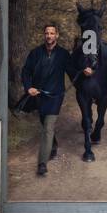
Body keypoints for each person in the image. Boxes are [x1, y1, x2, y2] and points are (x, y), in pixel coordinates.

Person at [19, 23, 75, 177]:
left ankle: (42, 163)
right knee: (44, 124)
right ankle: (54, 145)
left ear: (57, 35)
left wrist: (85, 71)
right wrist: (28, 87)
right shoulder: (35, 53)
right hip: (38, 95)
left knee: (48, 127)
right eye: (47, 33)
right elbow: (26, 71)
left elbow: (72, 71)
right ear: (44, 35)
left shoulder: (64, 54)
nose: (49, 36)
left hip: (55, 96)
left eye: (52, 33)